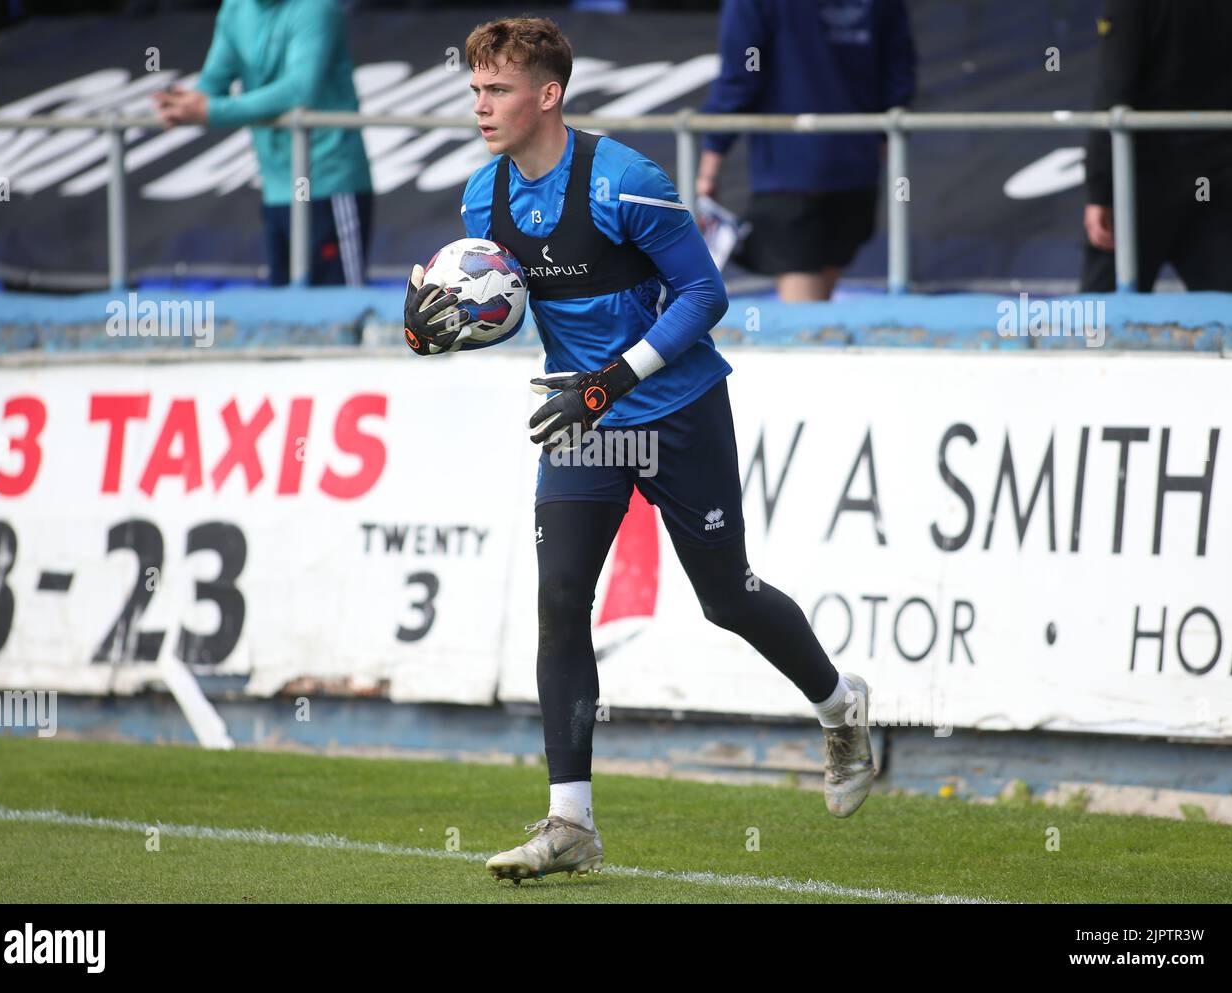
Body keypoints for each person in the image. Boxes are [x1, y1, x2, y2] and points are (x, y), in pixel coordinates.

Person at [402, 16, 876, 884]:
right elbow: (499, 296)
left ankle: (841, 708)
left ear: (548, 94)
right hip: (581, 421)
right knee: (559, 598)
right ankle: (570, 820)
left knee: (727, 598)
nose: (481, 105)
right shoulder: (483, 197)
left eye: (497, 89)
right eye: (474, 89)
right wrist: (447, 321)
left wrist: (612, 381)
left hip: (676, 410)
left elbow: (705, 295)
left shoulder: (628, 178)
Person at [697, 0, 915, 301]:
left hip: (791, 171)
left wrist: (709, 167)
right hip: (855, 164)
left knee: (803, 320)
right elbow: (899, 70)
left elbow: (740, 77)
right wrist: (882, 138)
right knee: (817, 301)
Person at [153, 0, 374, 286]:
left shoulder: (317, 7)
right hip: (276, 191)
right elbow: (213, 82)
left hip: (331, 186)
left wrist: (211, 111)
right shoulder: (235, 9)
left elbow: (299, 90)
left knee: (344, 307)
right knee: (287, 314)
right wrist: (185, 104)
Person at [1080, 0, 1232, 292]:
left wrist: (1100, 190)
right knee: (1227, 317)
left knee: (1099, 321)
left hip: (1144, 184)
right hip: (1225, 179)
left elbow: (1114, 94)